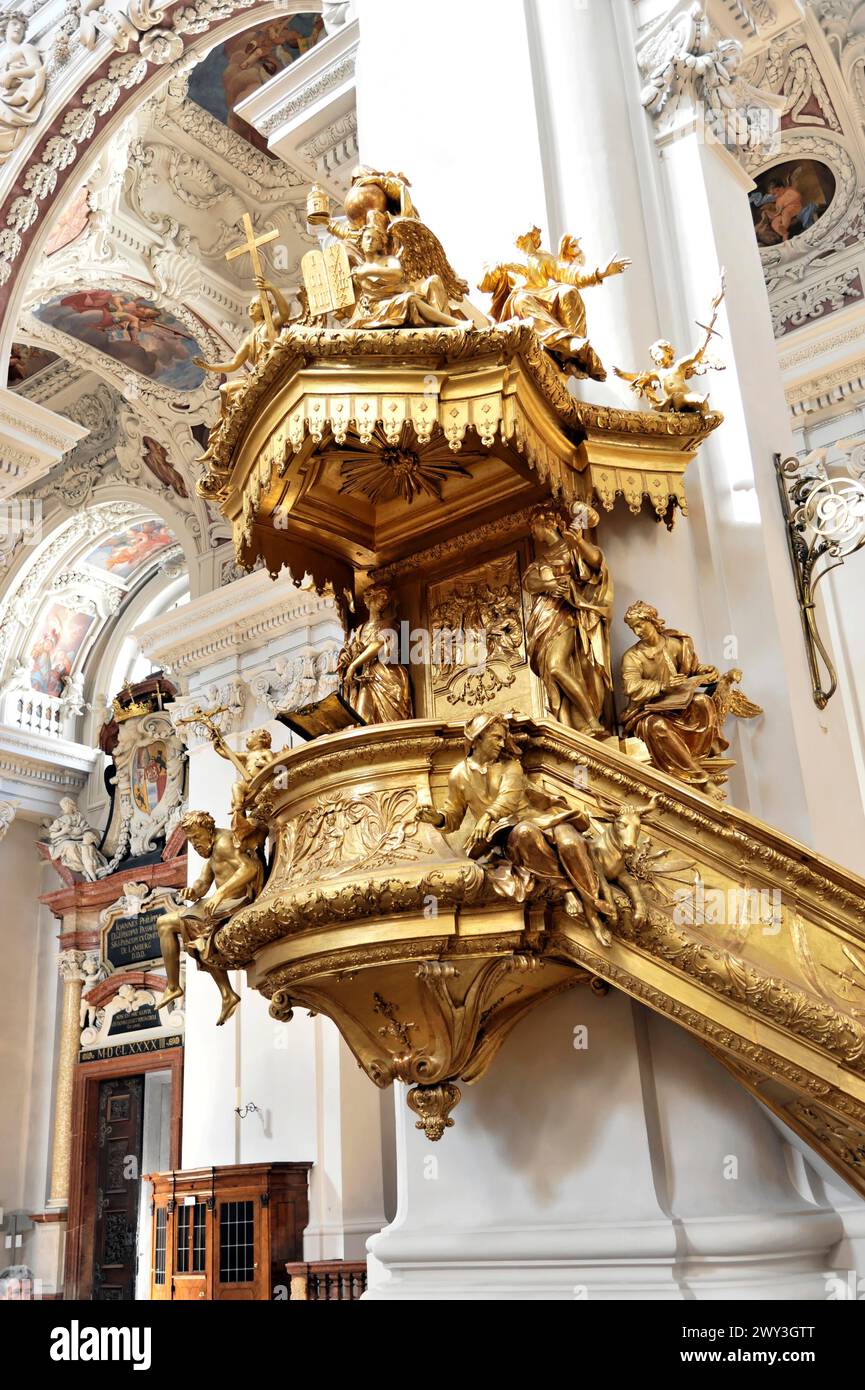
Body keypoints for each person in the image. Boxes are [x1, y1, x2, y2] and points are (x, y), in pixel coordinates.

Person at [416, 713, 616, 946]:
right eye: (496, 738)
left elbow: (508, 798)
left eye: (503, 739)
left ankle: (590, 905)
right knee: (525, 834)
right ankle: (581, 901)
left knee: (572, 843)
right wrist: (436, 818)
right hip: (508, 832)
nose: (502, 744)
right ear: (477, 739)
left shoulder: (511, 766)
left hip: (541, 818)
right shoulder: (458, 775)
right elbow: (453, 816)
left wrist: (486, 817)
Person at [157, 810, 264, 1026]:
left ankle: (221, 993)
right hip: (219, 903)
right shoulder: (213, 847)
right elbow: (204, 881)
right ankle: (179, 987)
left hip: (236, 902)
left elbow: (251, 868)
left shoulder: (224, 842)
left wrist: (221, 893)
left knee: (196, 934)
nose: (195, 844)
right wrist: (193, 891)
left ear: (208, 830)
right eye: (191, 840)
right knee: (165, 924)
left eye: (196, 837)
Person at [523, 505, 613, 735]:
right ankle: (567, 728)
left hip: (566, 613)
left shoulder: (570, 544)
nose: (532, 533)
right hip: (544, 615)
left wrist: (579, 542)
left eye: (533, 526)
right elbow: (529, 582)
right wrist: (549, 585)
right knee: (551, 678)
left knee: (555, 667)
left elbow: (595, 562)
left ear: (548, 523)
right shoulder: (541, 559)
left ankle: (592, 720)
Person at [620, 601, 722, 788]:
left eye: (640, 624)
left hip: (680, 704)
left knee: (703, 702)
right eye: (633, 628)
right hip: (649, 711)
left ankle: (705, 749)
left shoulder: (675, 645)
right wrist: (662, 686)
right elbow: (631, 686)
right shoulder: (632, 657)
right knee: (657, 726)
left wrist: (704, 670)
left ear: (651, 620)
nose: (637, 631)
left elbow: (690, 669)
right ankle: (701, 778)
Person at [338, 585, 412, 724]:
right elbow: (352, 651)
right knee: (362, 721)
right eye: (380, 596)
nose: (384, 599)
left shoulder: (390, 624)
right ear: (368, 600)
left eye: (386, 598)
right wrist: (346, 658)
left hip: (385, 675)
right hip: (367, 679)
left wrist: (354, 665)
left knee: (391, 722)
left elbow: (378, 644)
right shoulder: (360, 629)